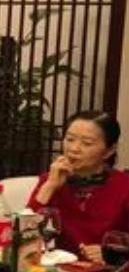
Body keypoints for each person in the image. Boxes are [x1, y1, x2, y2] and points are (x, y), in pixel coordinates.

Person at [27, 111, 128, 262]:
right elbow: (23, 233)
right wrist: (49, 187)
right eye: (70, 139)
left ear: (109, 151)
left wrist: (113, 255)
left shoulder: (124, 185)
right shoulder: (51, 179)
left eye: (86, 143)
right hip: (58, 268)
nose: (74, 149)